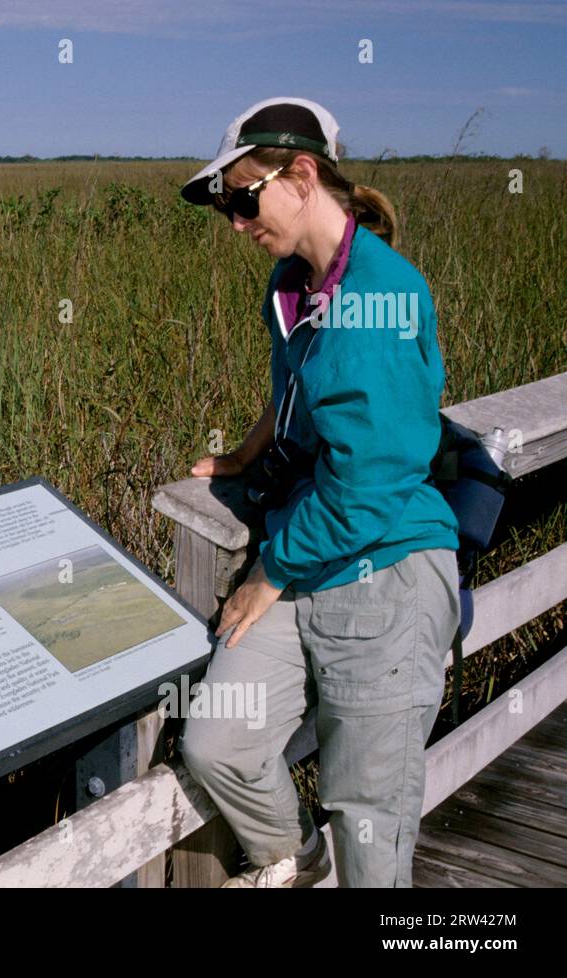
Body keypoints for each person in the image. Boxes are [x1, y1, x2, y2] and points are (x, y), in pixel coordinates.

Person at [175, 97, 462, 887]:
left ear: (300, 175)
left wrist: (268, 574)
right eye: (225, 205)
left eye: (242, 197)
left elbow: (369, 482)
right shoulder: (294, 281)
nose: (235, 221)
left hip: (387, 567)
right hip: (307, 550)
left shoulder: (382, 295)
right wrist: (243, 455)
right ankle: (292, 862)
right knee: (217, 743)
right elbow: (294, 386)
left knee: (368, 825)